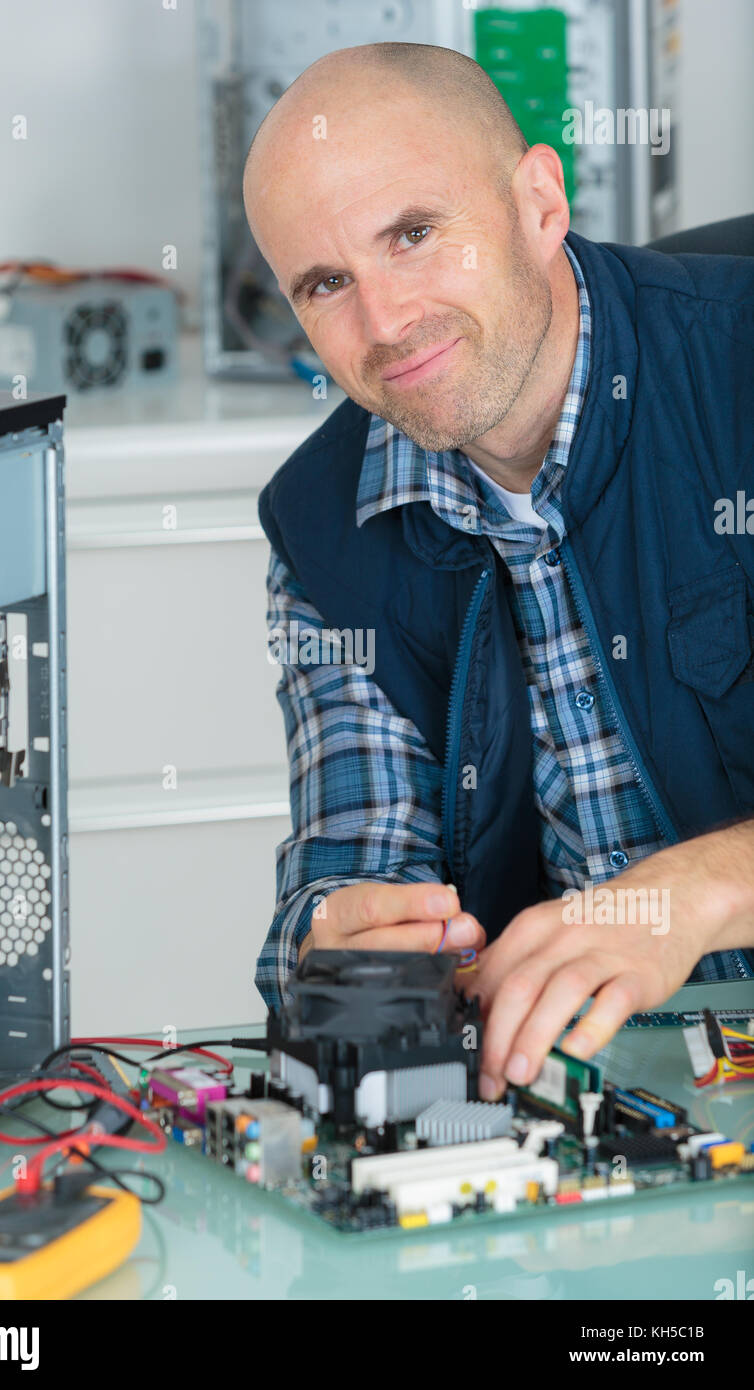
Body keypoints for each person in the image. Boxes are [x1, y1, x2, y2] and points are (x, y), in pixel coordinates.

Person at [242, 42, 754, 1100]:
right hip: (600, 1126)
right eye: (327, 283)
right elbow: (356, 862)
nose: (384, 324)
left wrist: (698, 890)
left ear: (537, 201)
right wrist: (339, 942)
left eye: (414, 234)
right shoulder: (321, 529)